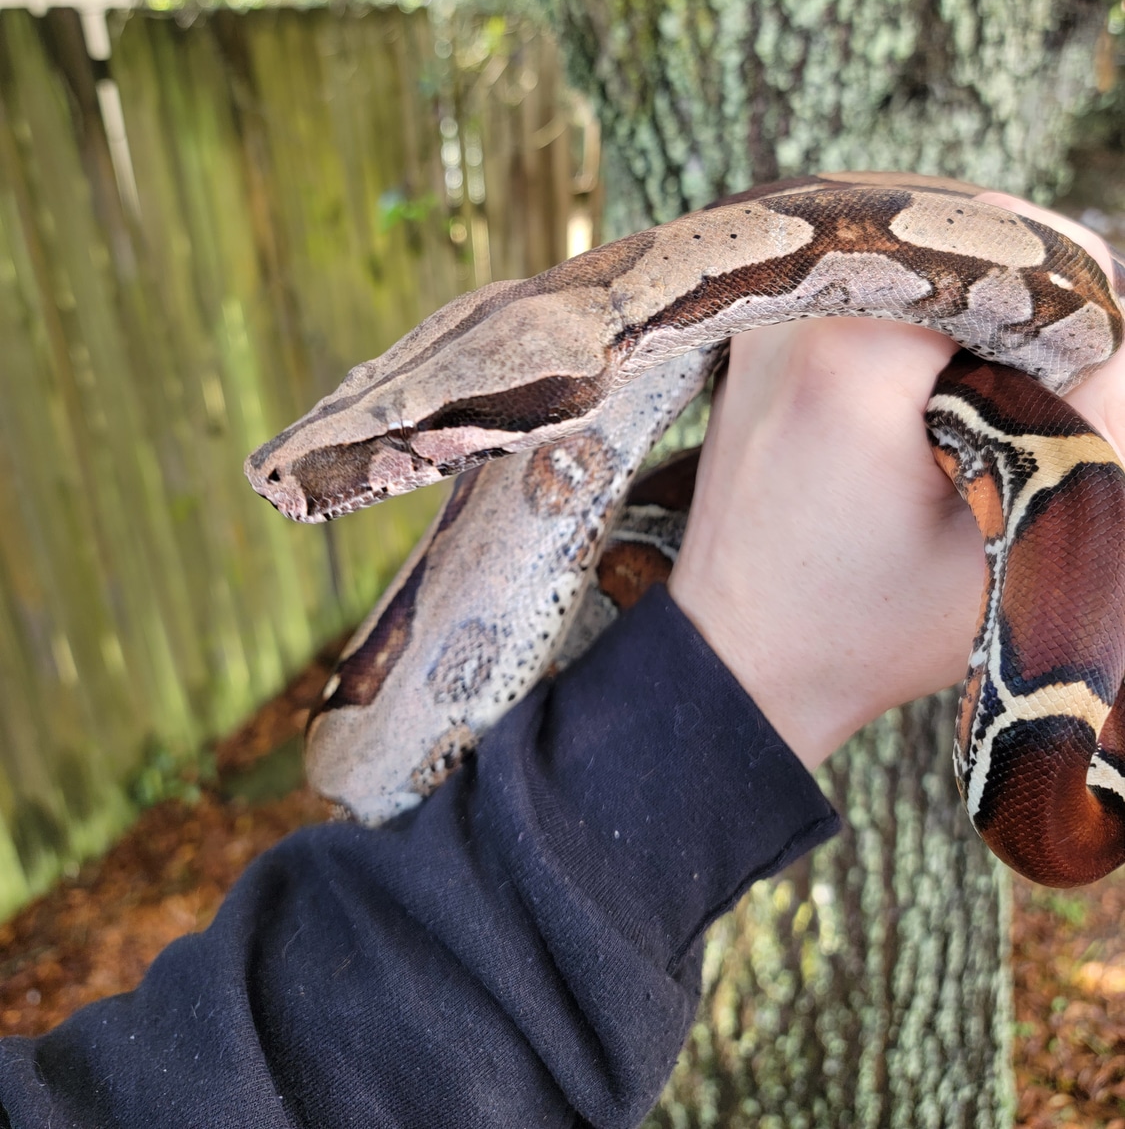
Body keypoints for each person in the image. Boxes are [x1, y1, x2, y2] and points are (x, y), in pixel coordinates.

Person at [0, 193, 1120, 1128]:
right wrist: (743, 653)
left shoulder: (604, 339)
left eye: (404, 440)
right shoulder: (584, 341)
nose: (319, 475)